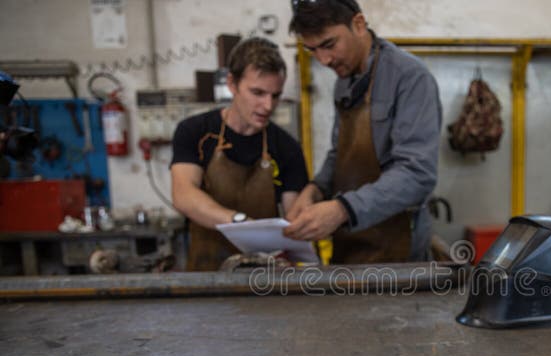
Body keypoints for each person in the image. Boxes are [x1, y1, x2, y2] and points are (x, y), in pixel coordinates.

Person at [284, 0, 442, 263]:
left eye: (329, 44)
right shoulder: (344, 81)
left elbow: (417, 174)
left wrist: (342, 209)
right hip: (352, 240)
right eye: (312, 50)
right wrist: (316, 189)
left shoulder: (410, 78)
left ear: (358, 24)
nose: (323, 60)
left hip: (398, 244)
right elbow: (339, 153)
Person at [171, 37, 309, 271]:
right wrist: (240, 223)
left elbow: (293, 216)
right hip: (205, 278)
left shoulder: (287, 147)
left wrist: (296, 235)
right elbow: (184, 195)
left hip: (264, 283)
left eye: (275, 95)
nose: (268, 106)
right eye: (257, 92)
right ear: (232, 84)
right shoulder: (195, 132)